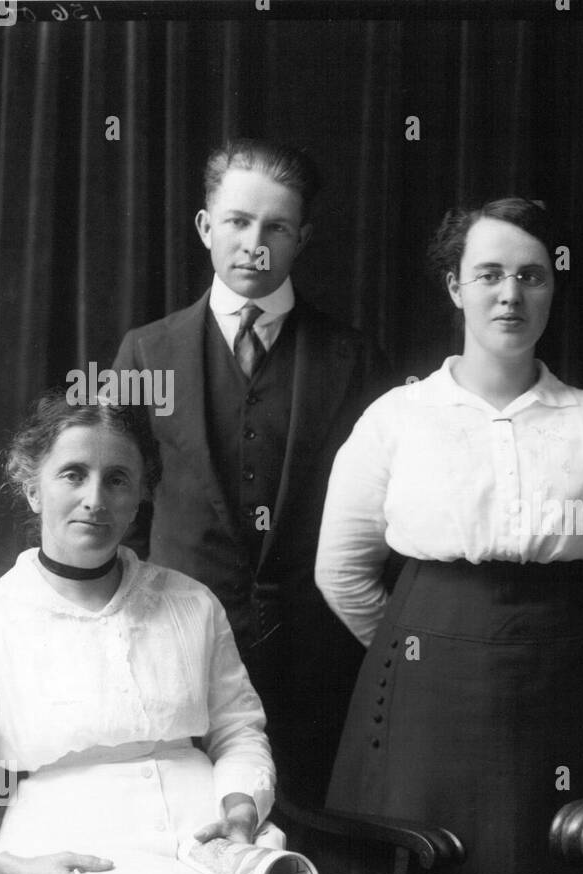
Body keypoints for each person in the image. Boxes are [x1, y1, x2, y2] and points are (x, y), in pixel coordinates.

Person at [0, 393, 368, 874]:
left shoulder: (190, 602)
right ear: (32, 488)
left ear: (140, 497)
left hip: (211, 843)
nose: (95, 499)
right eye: (73, 474)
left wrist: (241, 806)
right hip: (77, 860)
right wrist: (13, 865)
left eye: (118, 479)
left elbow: (239, 731)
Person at [315, 197, 583, 874]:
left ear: (552, 292)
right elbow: (343, 572)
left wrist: (548, 643)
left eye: (531, 277)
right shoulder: (398, 417)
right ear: (454, 288)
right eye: (489, 275)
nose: (511, 294)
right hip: (421, 688)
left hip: (556, 689)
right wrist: (421, 643)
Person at [111, 139, 392, 808]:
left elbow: (383, 524)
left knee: (315, 853)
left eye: (276, 227)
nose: (254, 243)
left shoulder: (353, 358)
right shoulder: (145, 352)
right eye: (237, 221)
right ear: (207, 227)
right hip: (177, 656)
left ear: (304, 239)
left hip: (320, 668)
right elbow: (123, 514)